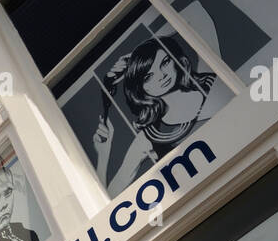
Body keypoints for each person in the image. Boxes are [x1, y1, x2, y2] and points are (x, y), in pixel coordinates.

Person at [92, 34, 221, 195]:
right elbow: (110, 199)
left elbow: (197, 13)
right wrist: (103, 156)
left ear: (175, 59)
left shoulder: (212, 81)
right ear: (140, 87)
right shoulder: (151, 136)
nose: (162, 75)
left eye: (164, 62)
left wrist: (135, 56)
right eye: (148, 76)